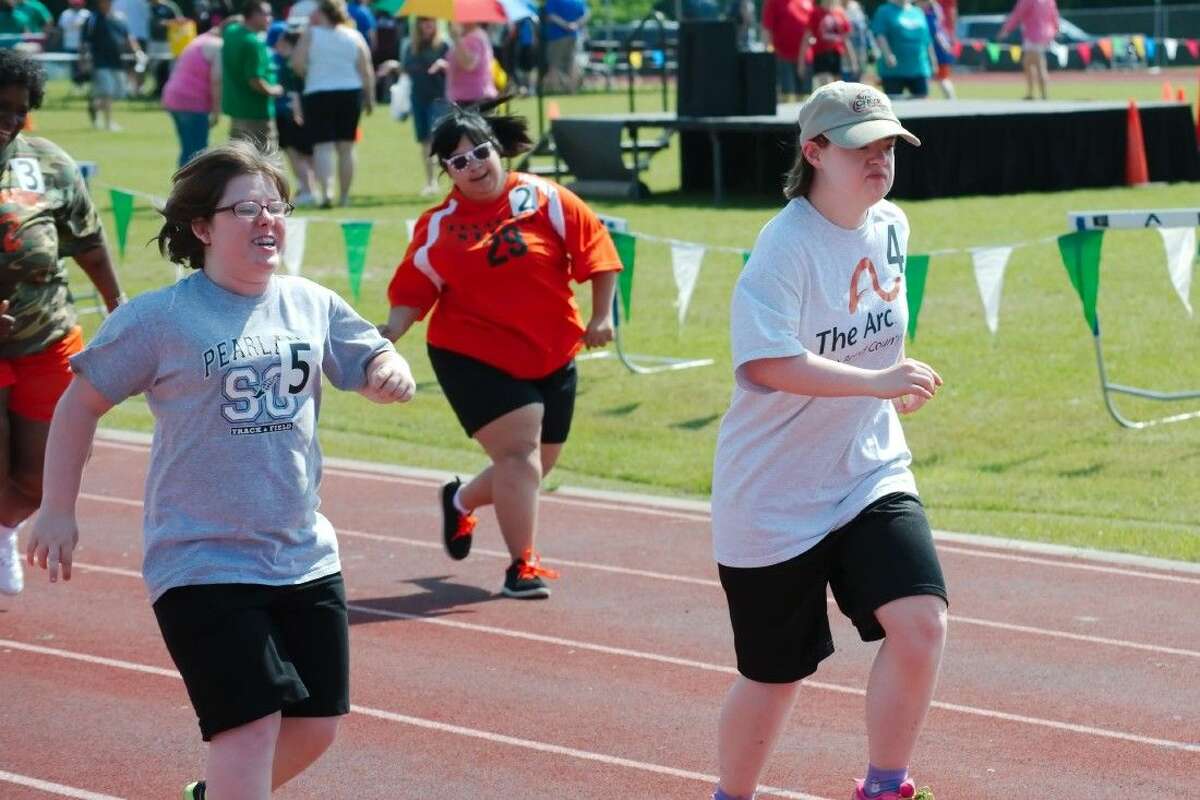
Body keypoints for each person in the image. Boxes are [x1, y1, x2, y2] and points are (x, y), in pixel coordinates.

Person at [26, 140, 416, 800]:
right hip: (201, 561)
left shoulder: (309, 303)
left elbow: (372, 355)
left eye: (275, 205)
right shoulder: (161, 319)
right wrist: (57, 507)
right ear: (202, 227)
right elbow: (78, 405)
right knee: (251, 729)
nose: (267, 220)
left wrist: (387, 372)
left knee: (317, 724)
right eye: (247, 209)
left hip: (303, 556)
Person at [709, 81, 945, 800]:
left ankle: (885, 784)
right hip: (772, 494)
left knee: (921, 624)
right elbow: (767, 362)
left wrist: (882, 389)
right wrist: (874, 383)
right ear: (813, 151)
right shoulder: (784, 246)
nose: (878, 160)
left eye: (887, 147)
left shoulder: (892, 225)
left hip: (867, 470)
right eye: (859, 148)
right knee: (774, 675)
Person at [379, 101, 620, 599]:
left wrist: (602, 316)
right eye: (458, 161)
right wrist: (388, 334)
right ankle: (522, 567)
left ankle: (461, 501)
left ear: (497, 150)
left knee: (533, 468)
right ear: (446, 171)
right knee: (517, 455)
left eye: (480, 152)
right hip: (473, 354)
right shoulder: (439, 225)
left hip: (552, 350)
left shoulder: (544, 197)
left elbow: (597, 251)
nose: (474, 166)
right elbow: (412, 292)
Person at [0, 48, 124, 597]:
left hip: (45, 338)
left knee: (39, 476)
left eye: (17, 111)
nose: (7, 120)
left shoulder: (47, 162)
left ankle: (4, 528)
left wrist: (119, 305)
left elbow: (89, 240)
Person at [290, 0, 374, 208]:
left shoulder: (312, 34)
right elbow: (366, 69)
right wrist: (370, 98)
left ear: (321, 13)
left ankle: (326, 193)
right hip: (349, 92)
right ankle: (344, 196)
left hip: (318, 93)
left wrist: (309, 73)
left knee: (322, 147)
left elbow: (297, 64)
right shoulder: (354, 35)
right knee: (346, 148)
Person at [161, 17, 226, 166]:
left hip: (173, 98)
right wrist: (216, 112)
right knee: (198, 153)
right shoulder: (218, 45)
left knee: (188, 149)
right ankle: (189, 188)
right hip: (192, 101)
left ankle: (182, 186)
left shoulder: (199, 40)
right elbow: (217, 80)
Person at [222, 0, 281, 148]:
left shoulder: (231, 32)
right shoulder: (253, 42)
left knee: (238, 162)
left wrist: (239, 18)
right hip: (257, 113)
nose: (270, 18)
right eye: (266, 14)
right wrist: (274, 90)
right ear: (253, 15)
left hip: (236, 110)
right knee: (266, 162)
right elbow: (255, 80)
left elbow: (224, 26)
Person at [400, 16, 448, 196]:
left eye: (431, 21)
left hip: (439, 98)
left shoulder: (444, 45)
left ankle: (447, 178)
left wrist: (444, 65)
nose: (428, 24)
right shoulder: (410, 47)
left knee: (439, 141)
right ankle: (430, 181)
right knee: (425, 142)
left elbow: (454, 69)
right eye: (423, 21)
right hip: (418, 98)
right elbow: (406, 70)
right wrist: (393, 67)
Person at [81, 0, 147, 131]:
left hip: (117, 61)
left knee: (119, 92)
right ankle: (108, 123)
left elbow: (129, 38)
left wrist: (138, 52)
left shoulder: (119, 18)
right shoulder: (92, 19)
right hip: (99, 61)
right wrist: (84, 60)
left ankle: (95, 106)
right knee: (107, 92)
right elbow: (85, 42)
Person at [269, 23, 316, 206]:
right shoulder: (307, 61)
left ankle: (307, 190)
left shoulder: (285, 62)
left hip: (288, 113)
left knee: (294, 154)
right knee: (308, 155)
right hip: (307, 111)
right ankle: (311, 189)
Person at [871, 0, 935, 99]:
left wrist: (933, 60)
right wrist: (887, 54)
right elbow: (880, 34)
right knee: (894, 106)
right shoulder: (884, 11)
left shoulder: (918, 12)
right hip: (893, 70)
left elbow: (926, 39)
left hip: (919, 68)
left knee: (922, 105)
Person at [998, 0, 1058, 101]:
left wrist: (1006, 30)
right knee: (1028, 63)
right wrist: (1056, 28)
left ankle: (1042, 94)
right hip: (1045, 34)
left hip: (1033, 36)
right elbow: (1054, 15)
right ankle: (1035, 93)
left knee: (1038, 64)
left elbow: (1017, 15)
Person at [432, 22, 496, 107]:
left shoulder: (473, 39)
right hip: (469, 98)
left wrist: (456, 39)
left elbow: (469, 64)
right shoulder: (472, 37)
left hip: (472, 99)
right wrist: (444, 66)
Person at [761, 0, 813, 102]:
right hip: (783, 57)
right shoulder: (773, 2)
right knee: (788, 97)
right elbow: (767, 29)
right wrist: (768, 53)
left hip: (806, 57)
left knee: (807, 99)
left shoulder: (808, 1)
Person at [798, 0, 856, 90]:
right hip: (821, 55)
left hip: (836, 54)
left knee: (838, 88)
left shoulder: (839, 13)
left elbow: (845, 40)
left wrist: (853, 62)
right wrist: (801, 63)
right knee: (827, 87)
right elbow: (806, 39)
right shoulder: (815, 13)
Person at [542, 0, 587, 93]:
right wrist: (575, 25)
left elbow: (551, 16)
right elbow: (586, 15)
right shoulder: (578, 1)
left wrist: (566, 25)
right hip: (573, 35)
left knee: (554, 63)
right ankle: (572, 89)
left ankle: (554, 89)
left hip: (556, 36)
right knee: (571, 63)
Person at [917, 0, 954, 99]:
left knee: (942, 79)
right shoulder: (932, 15)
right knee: (930, 80)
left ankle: (952, 102)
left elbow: (937, 34)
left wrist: (944, 46)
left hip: (937, 53)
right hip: (931, 53)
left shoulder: (928, 18)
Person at [146, 0, 183, 98]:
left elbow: (180, 21)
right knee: (154, 67)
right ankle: (158, 87)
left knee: (169, 67)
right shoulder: (148, 7)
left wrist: (167, 23)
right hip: (154, 41)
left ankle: (170, 89)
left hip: (168, 41)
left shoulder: (169, 7)